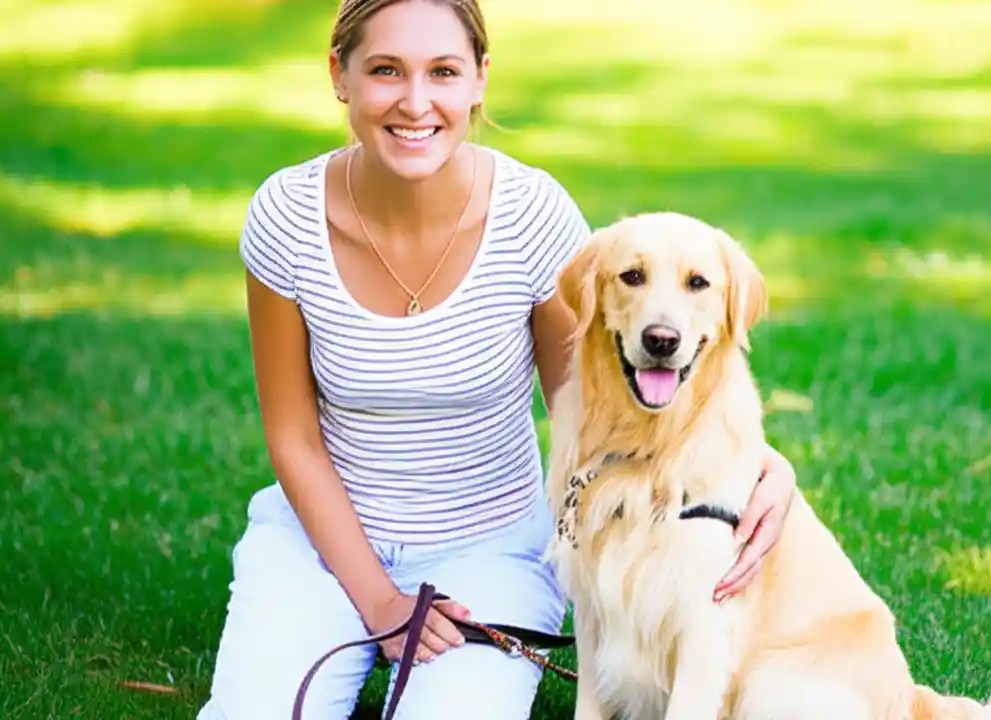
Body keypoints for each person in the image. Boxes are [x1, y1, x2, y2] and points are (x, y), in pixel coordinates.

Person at [197, 0, 798, 718]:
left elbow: (605, 399)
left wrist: (762, 467)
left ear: (480, 79)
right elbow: (292, 437)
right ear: (340, 75)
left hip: (491, 551)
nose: (415, 103)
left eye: (443, 72)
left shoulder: (532, 217)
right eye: (385, 70)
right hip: (317, 543)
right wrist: (382, 603)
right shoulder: (285, 217)